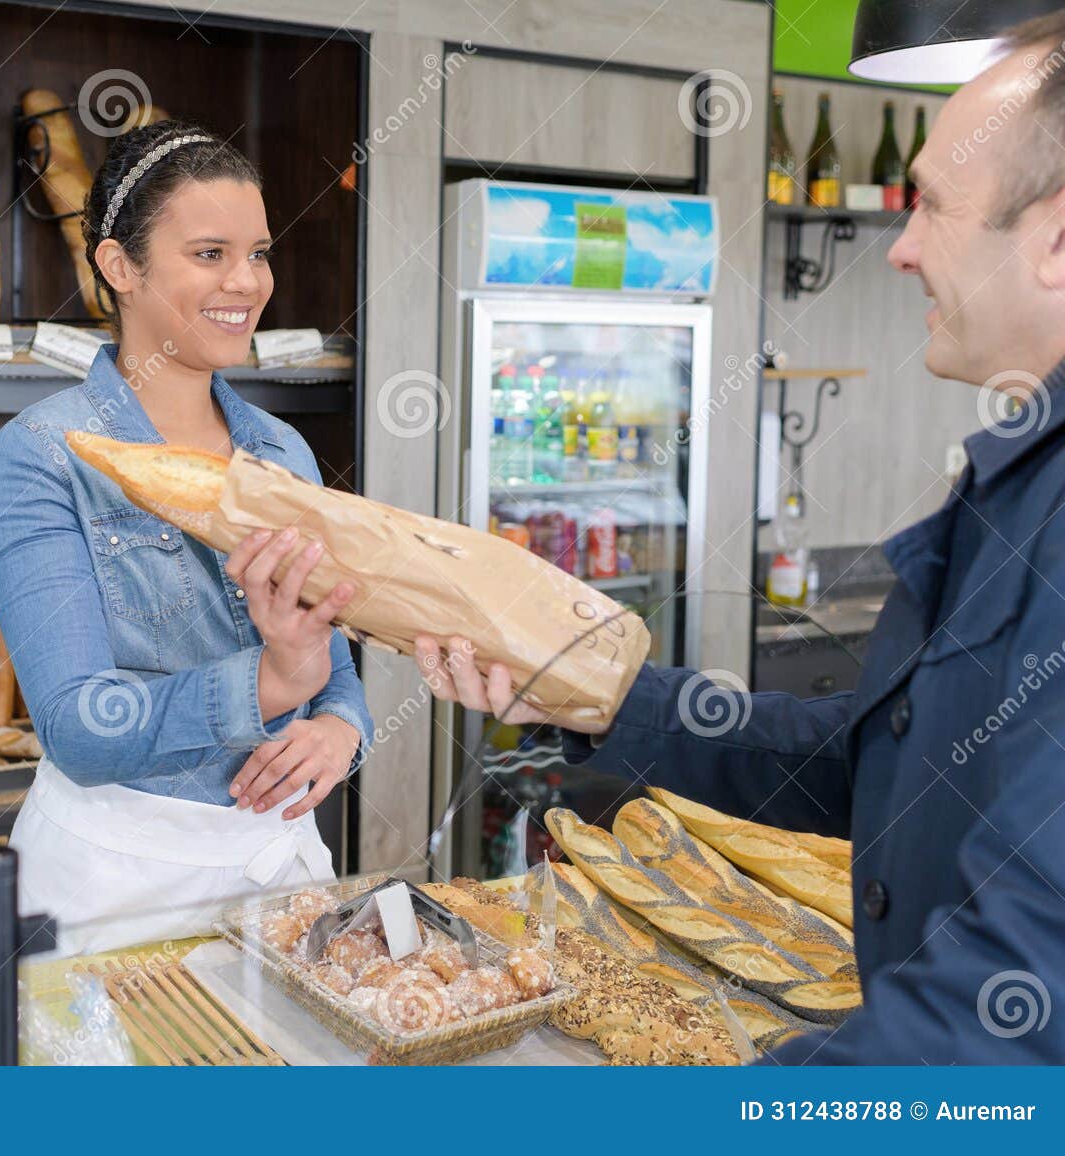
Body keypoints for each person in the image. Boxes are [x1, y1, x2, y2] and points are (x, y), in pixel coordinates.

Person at [418, 14, 1065, 1063]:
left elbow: (1007, 1010)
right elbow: (875, 770)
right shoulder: (1021, 473)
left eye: (931, 207)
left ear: (1055, 239)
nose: (900, 250)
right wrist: (593, 690)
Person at [0, 121, 374, 950]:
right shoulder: (42, 455)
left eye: (258, 252)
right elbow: (81, 729)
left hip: (279, 867)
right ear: (121, 267)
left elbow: (324, 654)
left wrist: (343, 728)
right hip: (116, 884)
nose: (248, 282)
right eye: (210, 254)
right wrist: (270, 680)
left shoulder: (280, 450)